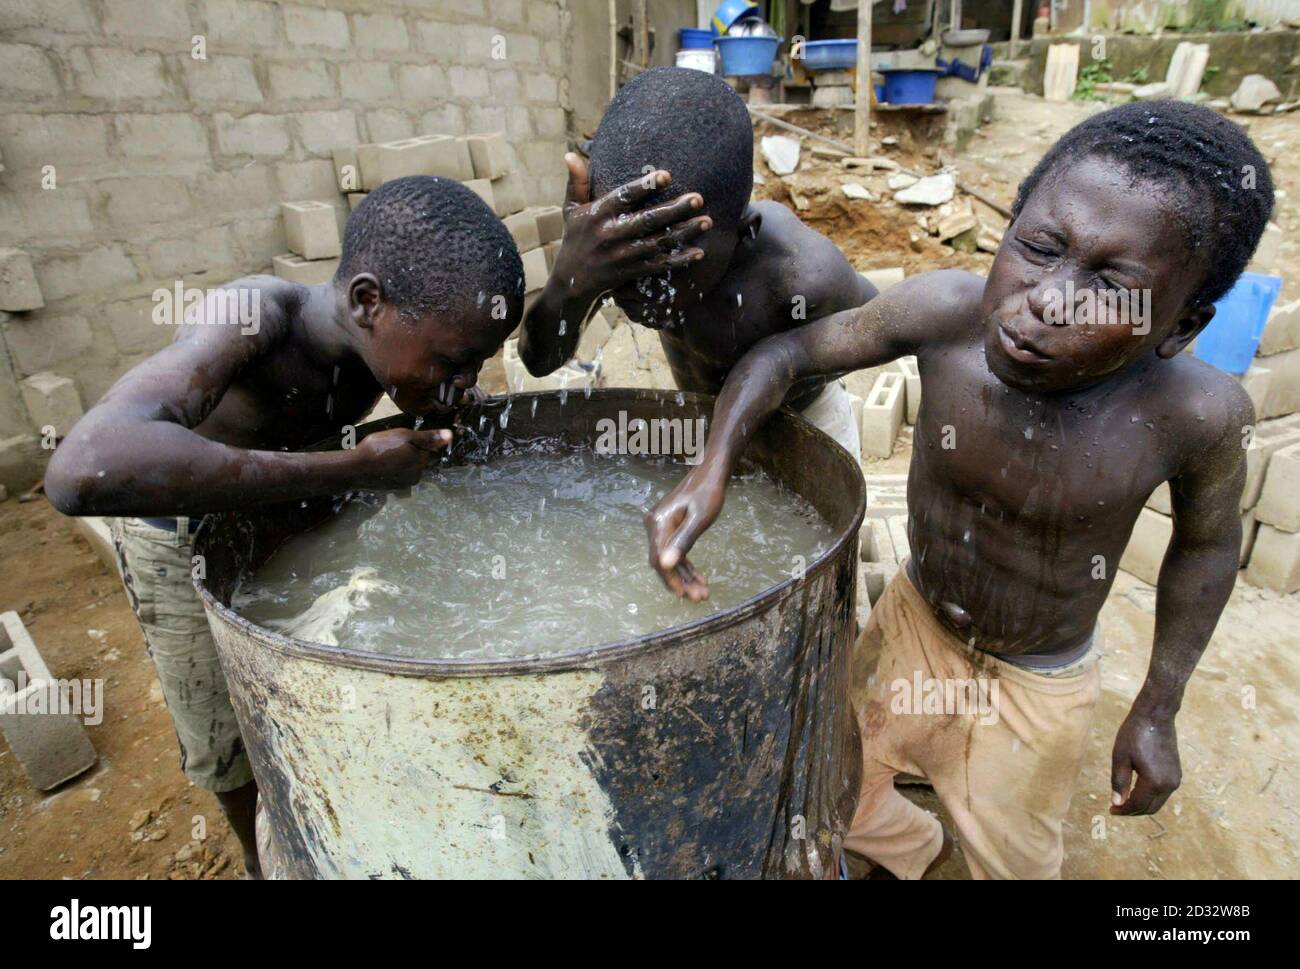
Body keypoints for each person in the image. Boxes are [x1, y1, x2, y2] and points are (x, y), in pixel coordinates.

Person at [644, 100, 1273, 877]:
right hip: (914, 622)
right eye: (1038, 247)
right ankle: (914, 847)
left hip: (1038, 685)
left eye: (1112, 288)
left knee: (1011, 855)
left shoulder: (1198, 415)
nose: (1047, 299)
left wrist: (1159, 705)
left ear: (1180, 326)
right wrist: (711, 468)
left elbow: (1208, 546)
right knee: (841, 778)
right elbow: (785, 356)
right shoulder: (943, 314)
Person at [46, 176, 524, 876]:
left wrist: (439, 409)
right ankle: (258, 856)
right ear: (369, 302)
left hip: (278, 506)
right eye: (454, 362)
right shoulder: (250, 316)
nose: (465, 380)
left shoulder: (377, 352)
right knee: (224, 729)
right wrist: (349, 468)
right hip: (178, 534)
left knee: (299, 676)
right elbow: (79, 470)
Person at [519, 66, 874, 486]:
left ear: (744, 234)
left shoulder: (801, 277)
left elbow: (885, 325)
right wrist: (568, 280)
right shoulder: (616, 244)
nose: (640, 287)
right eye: (624, 269)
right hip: (695, 426)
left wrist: (791, 364)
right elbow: (539, 362)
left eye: (669, 266)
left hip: (806, 426)